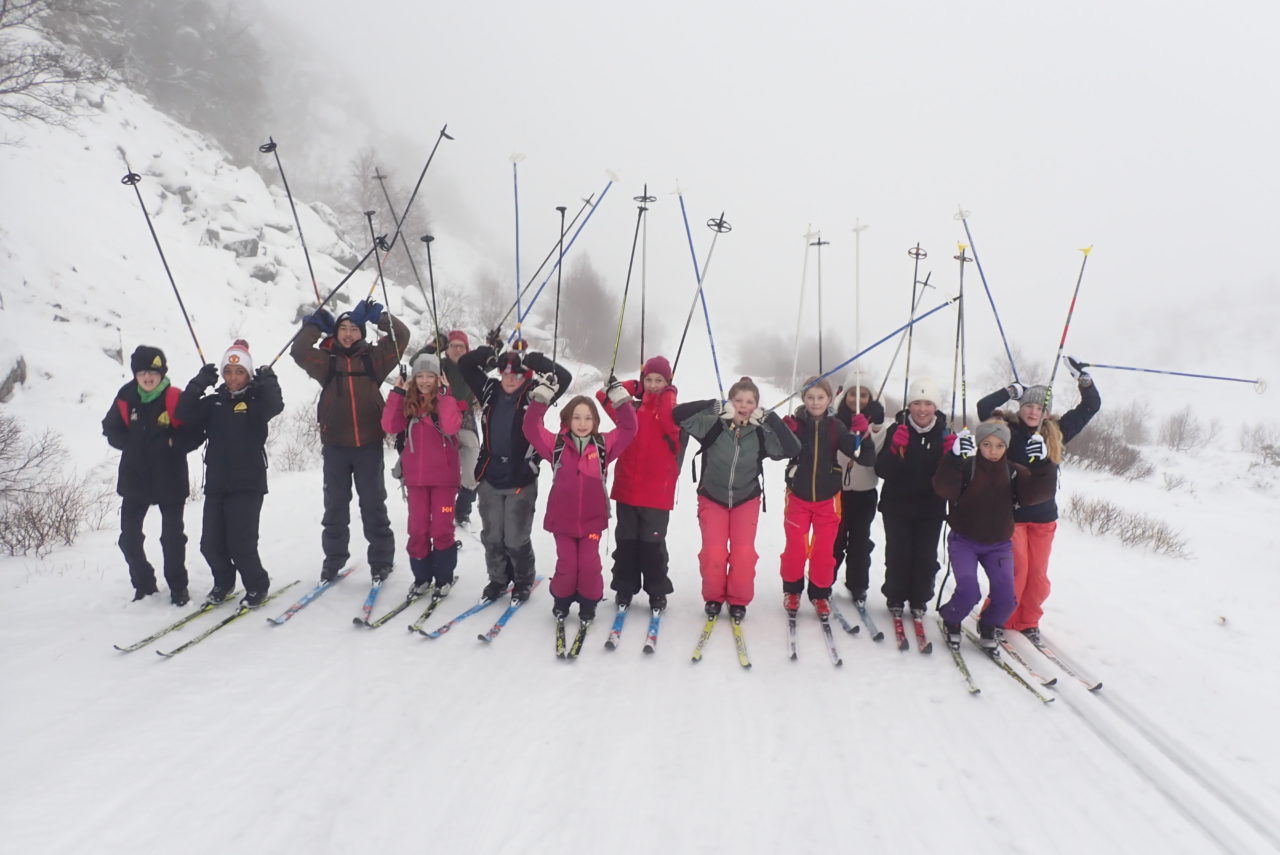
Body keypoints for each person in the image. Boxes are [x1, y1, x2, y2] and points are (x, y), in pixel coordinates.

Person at [975, 356, 1101, 641]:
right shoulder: (1006, 428)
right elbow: (983, 408)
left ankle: (1027, 621)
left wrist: (1084, 380)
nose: (1033, 411)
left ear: (1047, 411)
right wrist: (1010, 392)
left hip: (1044, 518)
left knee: (1038, 579)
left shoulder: (1057, 431)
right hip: (1013, 517)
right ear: (1021, 408)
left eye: (1040, 406)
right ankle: (996, 618)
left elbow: (1090, 406)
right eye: (1029, 405)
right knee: (1016, 573)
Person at [290, 298, 410, 583]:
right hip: (335, 447)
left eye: (354, 328)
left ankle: (381, 561)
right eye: (342, 328)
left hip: (368, 445)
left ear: (362, 333)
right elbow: (298, 350)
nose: (347, 334)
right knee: (335, 507)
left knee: (373, 505)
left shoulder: (373, 358)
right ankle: (333, 561)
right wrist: (314, 327)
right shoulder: (325, 361)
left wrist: (379, 316)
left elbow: (401, 336)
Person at [673, 377, 801, 621]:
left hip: (746, 499)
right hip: (712, 497)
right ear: (729, 402)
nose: (743, 405)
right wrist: (712, 405)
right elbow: (677, 414)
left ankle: (738, 600)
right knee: (714, 552)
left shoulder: (761, 433)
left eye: (750, 401)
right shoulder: (712, 425)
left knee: (743, 554)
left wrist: (771, 420)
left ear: (756, 406)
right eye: (738, 400)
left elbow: (793, 449)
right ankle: (713, 597)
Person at [457, 333, 572, 603]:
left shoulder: (536, 394)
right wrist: (488, 354)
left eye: (517, 374)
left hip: (522, 477)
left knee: (516, 539)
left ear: (525, 376)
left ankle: (522, 580)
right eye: (505, 373)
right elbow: (465, 365)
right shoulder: (489, 390)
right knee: (492, 536)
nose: (510, 378)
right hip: (490, 476)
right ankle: (498, 580)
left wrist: (537, 361)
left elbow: (564, 379)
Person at [175, 340, 284, 608]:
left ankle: (257, 585)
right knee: (210, 544)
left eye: (240, 372)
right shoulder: (213, 404)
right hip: (216, 484)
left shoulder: (257, 402)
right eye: (228, 372)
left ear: (248, 375)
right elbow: (182, 413)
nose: (233, 378)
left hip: (249, 484)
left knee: (241, 544)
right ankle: (224, 581)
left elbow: (276, 404)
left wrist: (268, 379)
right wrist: (198, 384)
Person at [932, 419, 1057, 650]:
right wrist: (952, 459)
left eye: (1000, 446)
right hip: (964, 541)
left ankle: (989, 624)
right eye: (987, 444)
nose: (993, 451)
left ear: (1006, 447)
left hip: (998, 545)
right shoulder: (967, 467)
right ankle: (951, 619)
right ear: (979, 444)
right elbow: (944, 488)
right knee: (969, 591)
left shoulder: (1014, 472)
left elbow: (1038, 494)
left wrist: (1043, 465)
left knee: (1007, 598)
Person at [524, 380, 637, 621]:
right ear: (567, 420)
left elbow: (629, 428)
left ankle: (589, 602)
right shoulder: (555, 445)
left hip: (592, 521)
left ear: (595, 421)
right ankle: (562, 600)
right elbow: (531, 428)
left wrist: (620, 399)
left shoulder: (604, 445)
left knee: (589, 564)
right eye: (577, 418)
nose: (583, 423)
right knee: (567, 563)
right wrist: (541, 399)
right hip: (561, 520)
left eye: (588, 418)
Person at [102, 345, 204, 605]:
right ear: (136, 374)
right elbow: (110, 426)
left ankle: (178, 587)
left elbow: (195, 432)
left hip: (170, 478)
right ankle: (144, 585)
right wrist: (131, 444)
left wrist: (172, 444)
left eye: (154, 372)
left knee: (172, 539)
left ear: (162, 373)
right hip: (135, 479)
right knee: (129, 538)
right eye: (143, 372)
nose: (148, 377)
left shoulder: (174, 398)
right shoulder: (126, 396)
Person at [594, 355, 680, 613]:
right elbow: (602, 395)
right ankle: (624, 586)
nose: (653, 385)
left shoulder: (672, 411)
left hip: (657, 494)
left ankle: (657, 591)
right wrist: (632, 385)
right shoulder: (629, 409)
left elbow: (667, 419)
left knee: (653, 548)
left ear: (668, 382)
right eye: (649, 380)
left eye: (659, 380)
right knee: (626, 542)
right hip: (627, 490)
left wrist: (668, 393)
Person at [779, 376, 870, 615]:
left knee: (823, 550)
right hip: (798, 495)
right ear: (803, 399)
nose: (815, 402)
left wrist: (863, 435)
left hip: (827, 499)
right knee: (795, 549)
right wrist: (782, 431)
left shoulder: (835, 426)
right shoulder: (797, 423)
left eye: (820, 397)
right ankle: (792, 590)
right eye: (810, 397)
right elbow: (779, 452)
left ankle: (820, 593)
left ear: (829, 399)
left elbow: (863, 456)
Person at [381, 353, 464, 596]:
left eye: (431, 376)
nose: (425, 381)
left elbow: (450, 426)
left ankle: (443, 577)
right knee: (417, 530)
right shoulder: (408, 403)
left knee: (441, 529)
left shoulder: (446, 401)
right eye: (421, 376)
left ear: (439, 378)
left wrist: (447, 395)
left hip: (444, 483)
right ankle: (421, 578)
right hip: (416, 481)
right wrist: (397, 393)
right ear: (414, 378)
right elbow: (389, 426)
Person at [875, 376, 949, 624]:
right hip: (897, 505)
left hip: (931, 508)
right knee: (898, 553)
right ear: (909, 406)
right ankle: (895, 596)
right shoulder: (897, 429)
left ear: (935, 407)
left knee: (926, 556)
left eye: (927, 403)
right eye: (917, 403)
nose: (922, 409)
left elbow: (954, 479)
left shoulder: (945, 434)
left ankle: (919, 599)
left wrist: (955, 458)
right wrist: (894, 450)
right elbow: (881, 470)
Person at [411, 329, 480, 526]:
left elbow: (493, 361)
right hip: (439, 423)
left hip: (465, 421)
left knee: (472, 471)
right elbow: (415, 362)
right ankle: (444, 510)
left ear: (467, 350)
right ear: (446, 349)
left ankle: (462, 510)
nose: (457, 350)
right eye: (453, 346)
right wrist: (433, 346)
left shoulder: (473, 368)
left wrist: (495, 346)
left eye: (462, 346)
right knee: (445, 476)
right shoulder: (439, 366)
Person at [832, 369, 887, 604]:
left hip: (865, 493)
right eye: (852, 394)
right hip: (837, 493)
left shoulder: (879, 425)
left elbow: (876, 453)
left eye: (863, 395)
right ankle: (824, 582)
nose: (857, 399)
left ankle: (857, 584)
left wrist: (873, 427)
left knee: (860, 542)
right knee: (835, 541)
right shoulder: (834, 421)